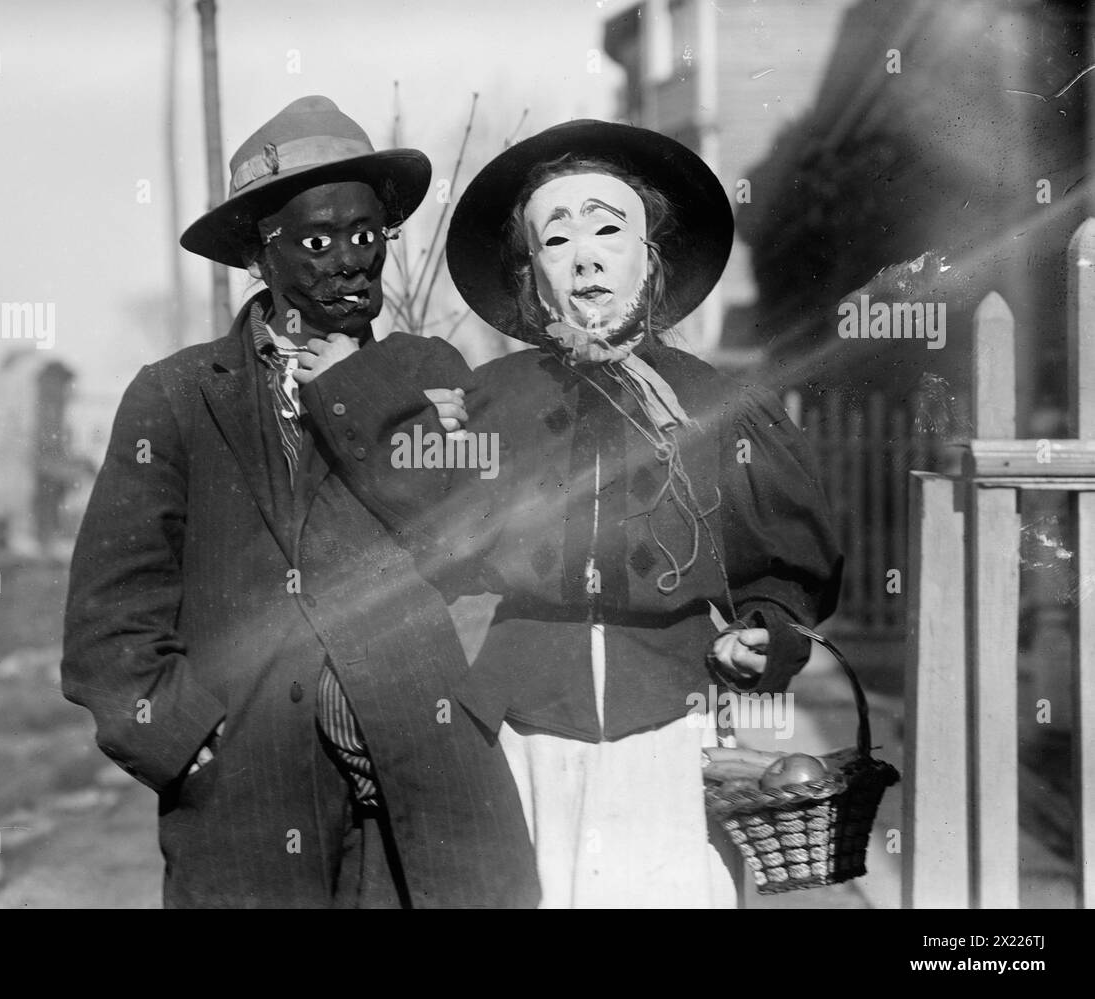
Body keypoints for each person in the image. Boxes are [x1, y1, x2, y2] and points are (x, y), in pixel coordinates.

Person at [296, 119, 844, 907]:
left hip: (670, 736)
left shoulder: (721, 408)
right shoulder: (493, 404)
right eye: (556, 239)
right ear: (531, 274)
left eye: (609, 229)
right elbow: (418, 501)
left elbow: (783, 569)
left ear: (649, 257)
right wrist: (355, 381)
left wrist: (768, 629)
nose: (585, 255)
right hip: (522, 737)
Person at [60, 96, 538, 908]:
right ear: (258, 253)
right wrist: (181, 741)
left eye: (369, 236)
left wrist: (352, 389)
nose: (352, 260)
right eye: (318, 241)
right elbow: (111, 614)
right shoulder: (175, 398)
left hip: (421, 784)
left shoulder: (430, 370)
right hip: (248, 794)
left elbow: (468, 534)